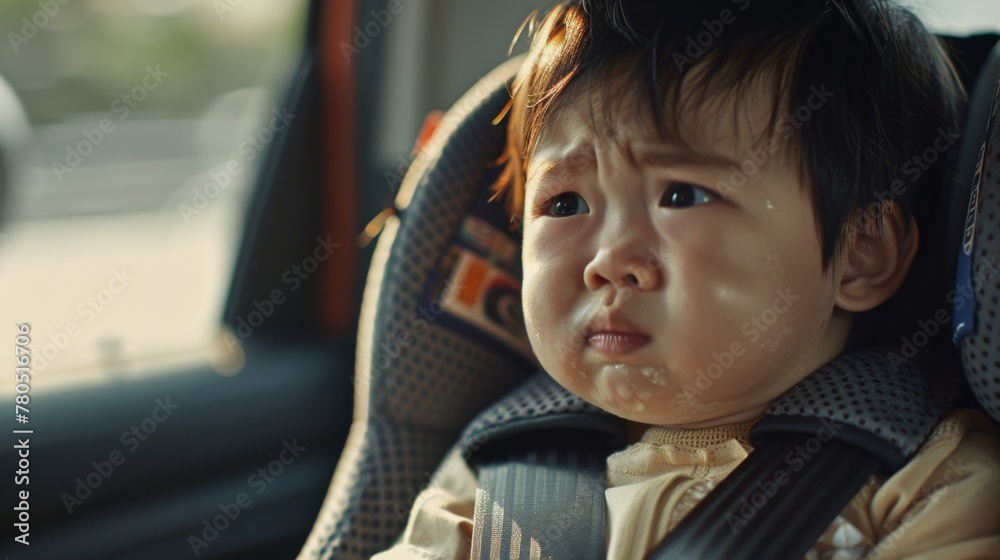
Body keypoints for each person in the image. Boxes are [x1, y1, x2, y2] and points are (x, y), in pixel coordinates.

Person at [374, 0, 1000, 557]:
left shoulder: (928, 484)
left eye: (682, 195)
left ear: (860, 253)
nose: (608, 261)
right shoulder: (495, 471)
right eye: (565, 205)